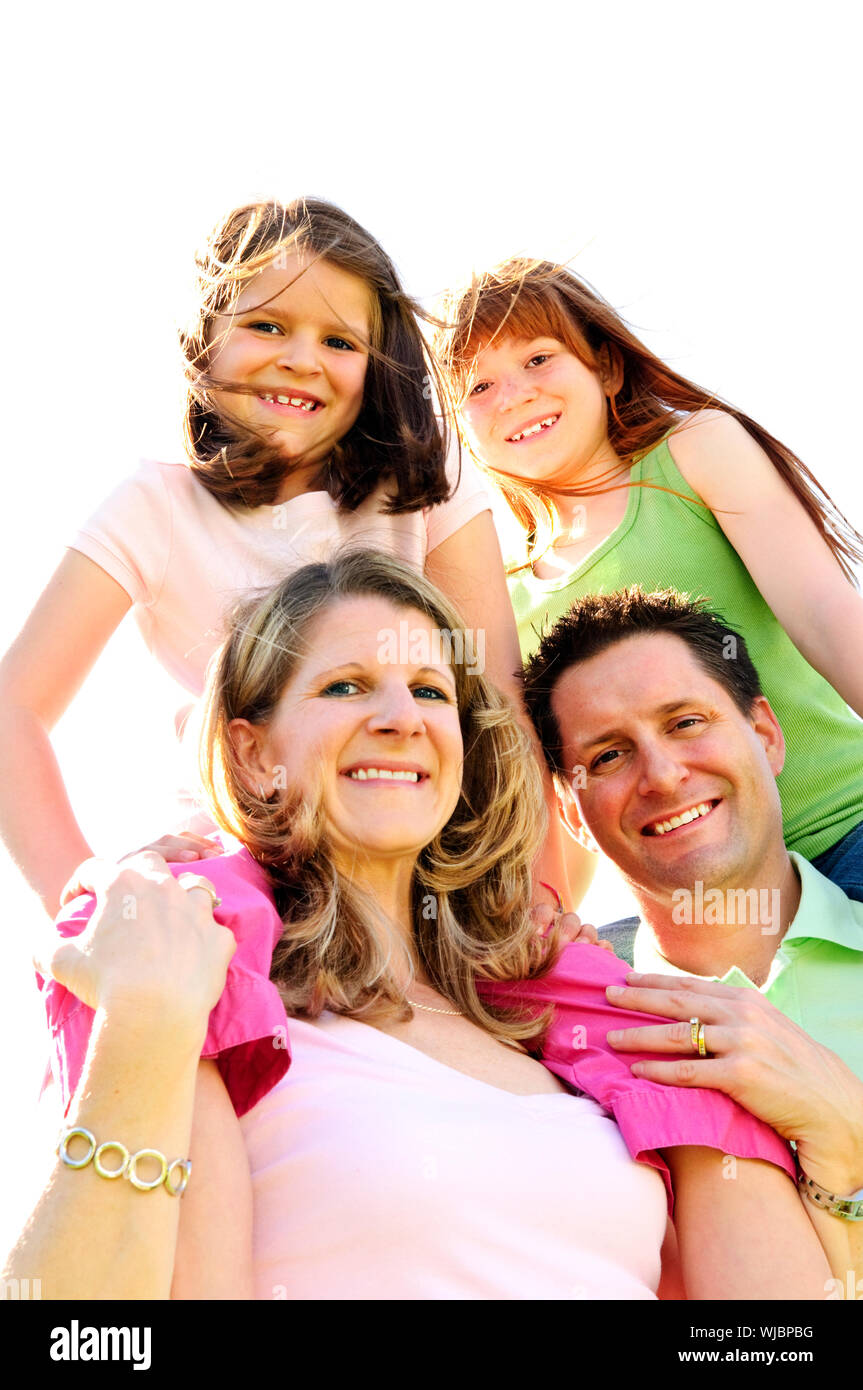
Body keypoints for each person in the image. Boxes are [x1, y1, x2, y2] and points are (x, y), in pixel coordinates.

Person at [3, 555, 841, 1300]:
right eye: (344, 686)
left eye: (431, 691)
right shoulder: (186, 959)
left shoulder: (599, 1014)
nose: (403, 717)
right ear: (254, 752)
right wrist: (142, 1021)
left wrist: (843, 1148)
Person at [0, 198, 559, 922]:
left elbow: (495, 700)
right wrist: (74, 884)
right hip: (247, 867)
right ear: (204, 342)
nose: (300, 360)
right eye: (266, 326)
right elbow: (14, 707)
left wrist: (536, 901)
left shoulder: (424, 479)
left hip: (418, 863)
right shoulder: (155, 506)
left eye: (338, 341)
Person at [434, 260, 863, 902]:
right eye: (477, 387)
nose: (513, 396)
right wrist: (551, 920)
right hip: (711, 907)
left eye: (538, 359)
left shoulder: (693, 455)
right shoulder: (504, 598)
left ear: (605, 367)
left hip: (846, 827)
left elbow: (828, 616)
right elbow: (557, 803)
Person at [519, 584, 863, 1285]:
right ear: (572, 813)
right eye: (609, 755)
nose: (663, 775)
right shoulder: (568, 1058)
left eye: (683, 722)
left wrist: (847, 1166)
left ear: (765, 735)